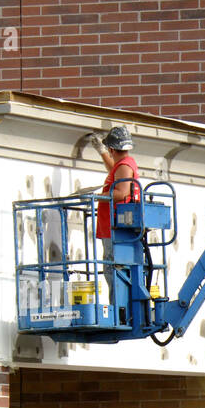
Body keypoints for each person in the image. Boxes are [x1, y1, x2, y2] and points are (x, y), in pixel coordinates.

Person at [87, 126, 141, 305]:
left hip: (114, 228)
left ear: (112, 149)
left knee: (113, 270)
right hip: (114, 228)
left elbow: (122, 192)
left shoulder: (125, 166)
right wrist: (102, 152)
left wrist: (95, 196)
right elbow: (115, 172)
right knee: (115, 269)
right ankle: (120, 309)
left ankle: (118, 310)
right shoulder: (123, 165)